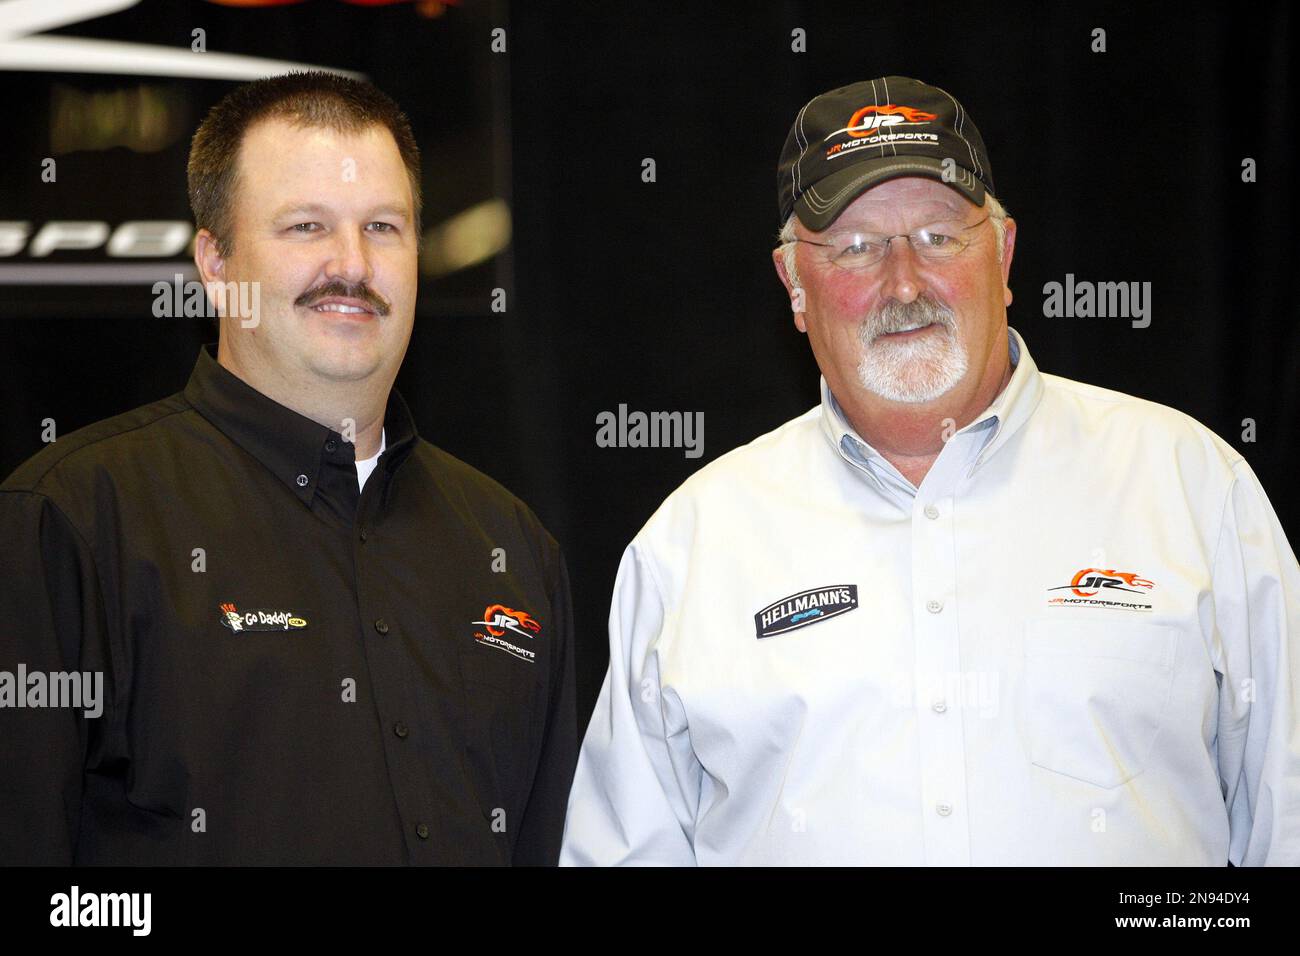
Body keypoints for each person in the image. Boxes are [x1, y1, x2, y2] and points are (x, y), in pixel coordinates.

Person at [559, 75, 1300, 865]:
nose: (905, 282)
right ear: (794, 286)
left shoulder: (1190, 488)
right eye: (855, 247)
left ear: (1005, 254)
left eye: (940, 236)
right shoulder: (691, 548)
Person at [0, 71, 576, 865]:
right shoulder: (70, 521)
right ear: (215, 263)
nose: (351, 265)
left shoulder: (512, 551)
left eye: (383, 227)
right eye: (306, 226)